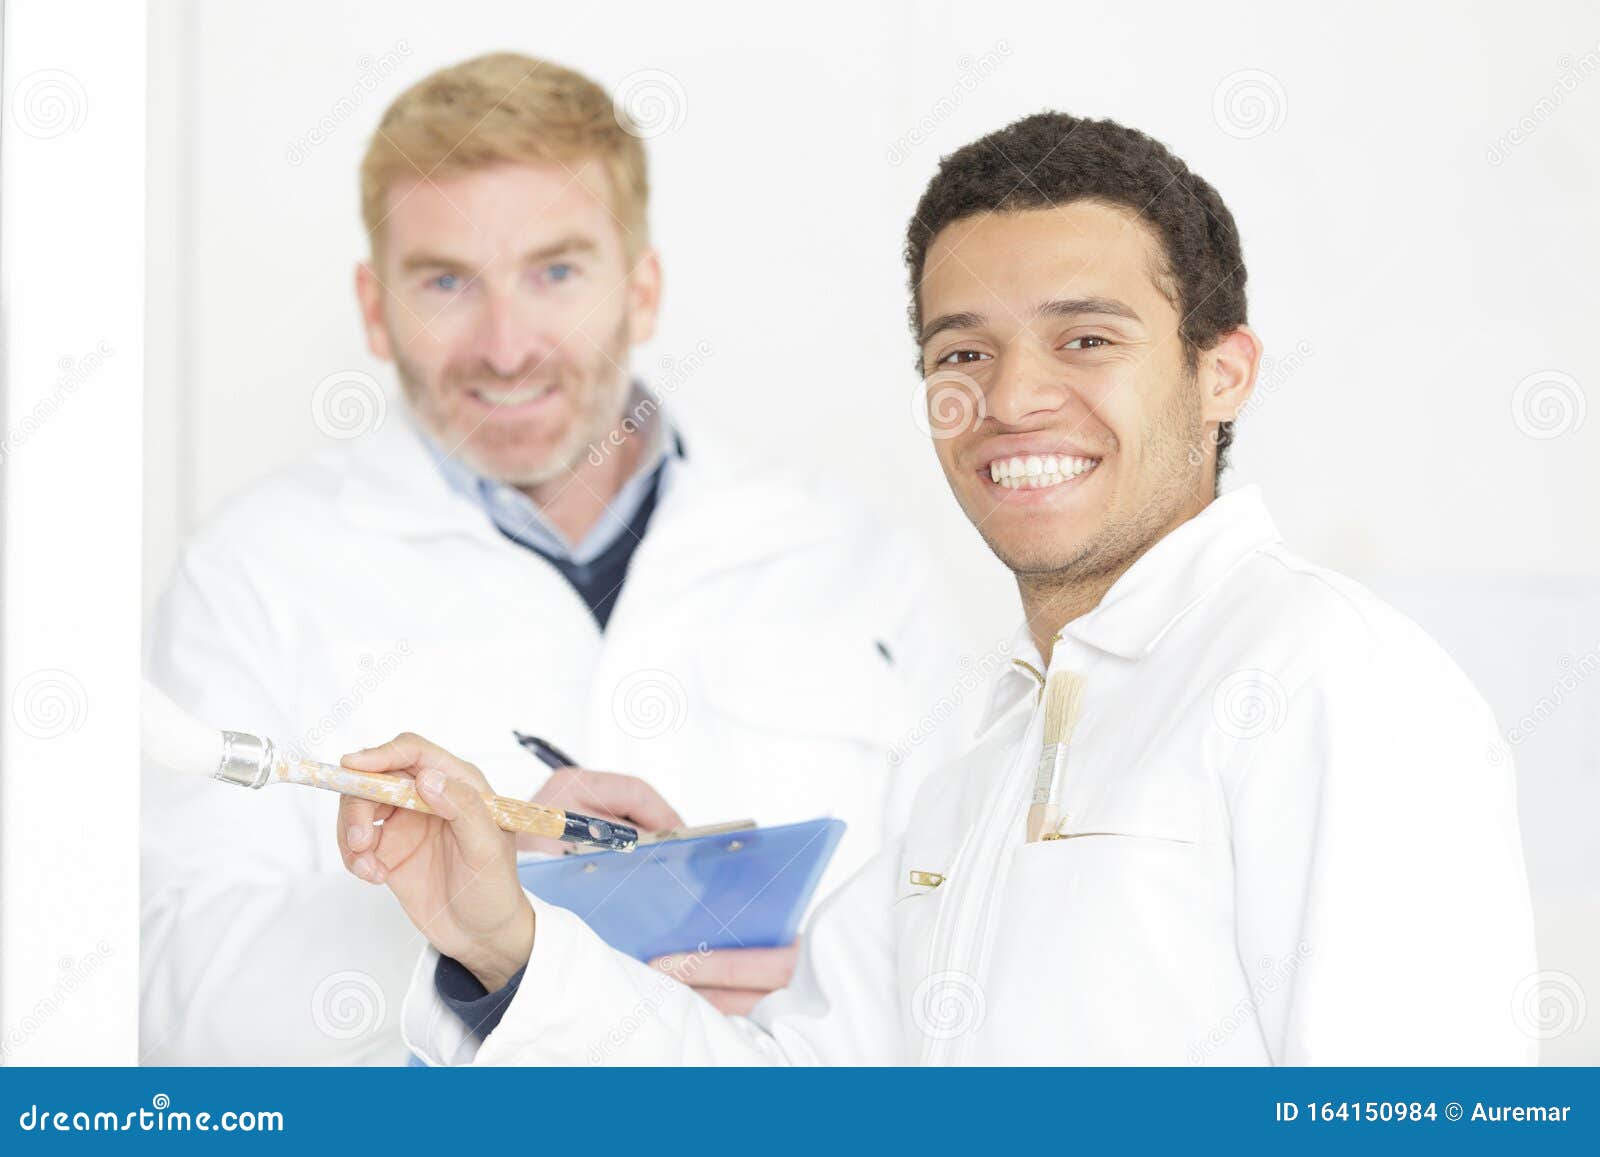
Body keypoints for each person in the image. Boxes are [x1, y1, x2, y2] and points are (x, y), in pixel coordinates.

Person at [343, 111, 1541, 1065]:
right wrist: (505, 941)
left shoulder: (1327, 678)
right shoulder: (979, 762)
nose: (1012, 398)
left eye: (1085, 339)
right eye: (962, 352)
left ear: (1222, 371)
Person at [142, 53, 969, 1065]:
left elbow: (964, 946)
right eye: (446, 280)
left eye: (556, 272)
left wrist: (804, 987)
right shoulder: (249, 574)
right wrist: (478, 915)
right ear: (373, 303)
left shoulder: (856, 563)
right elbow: (168, 992)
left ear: (643, 286)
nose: (504, 345)